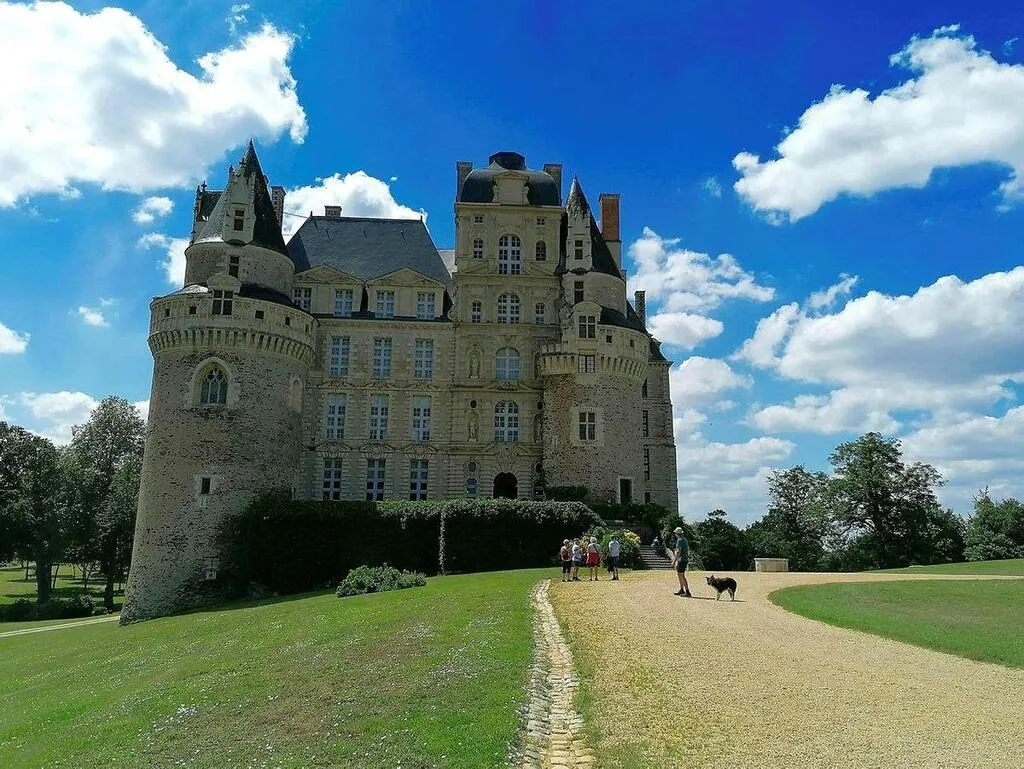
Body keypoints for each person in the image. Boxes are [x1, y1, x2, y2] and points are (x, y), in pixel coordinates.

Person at [671, 526, 691, 597]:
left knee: (682, 575)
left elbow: (678, 552)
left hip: (682, 560)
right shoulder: (684, 539)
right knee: (680, 575)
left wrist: (674, 561)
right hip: (684, 559)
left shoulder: (679, 540)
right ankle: (682, 589)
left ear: (676, 533)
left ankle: (687, 591)